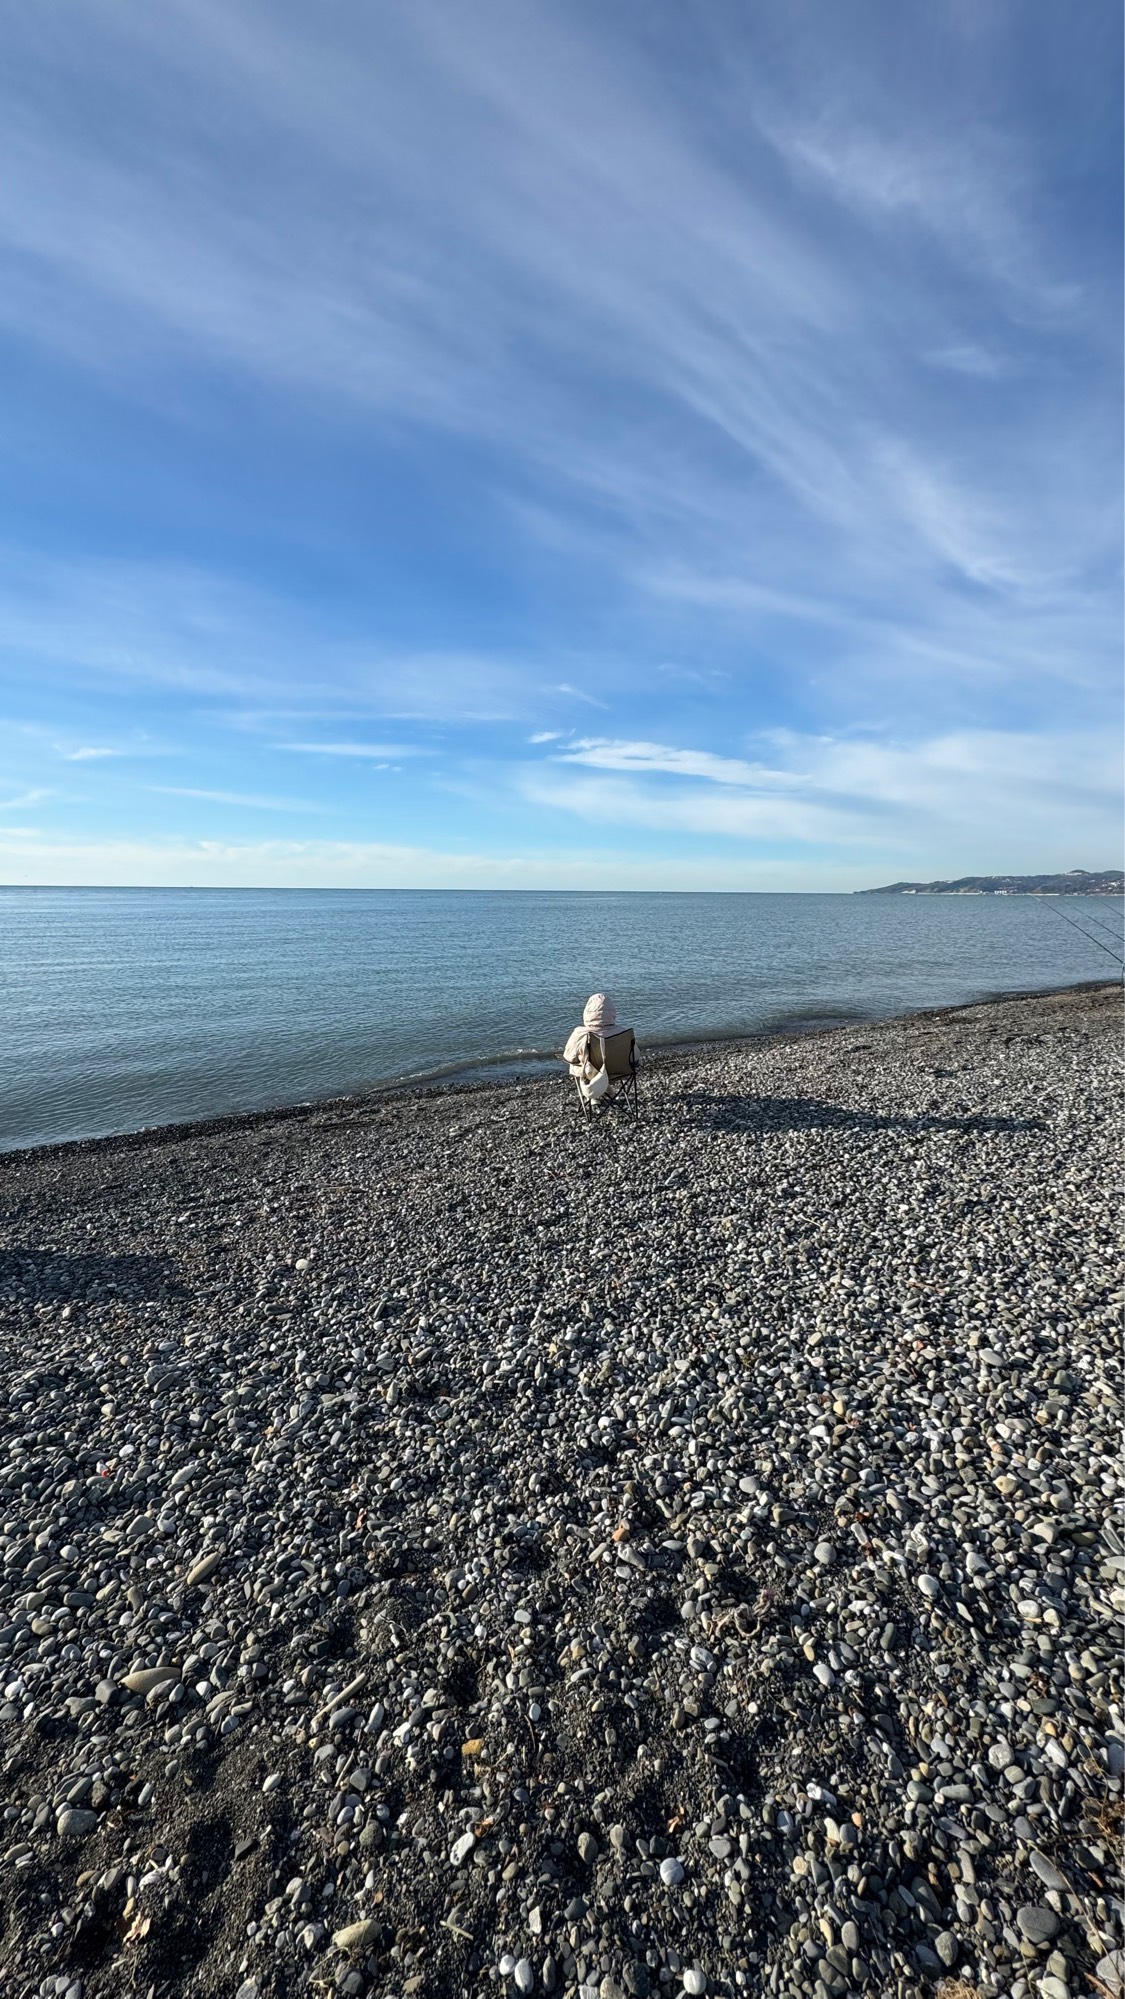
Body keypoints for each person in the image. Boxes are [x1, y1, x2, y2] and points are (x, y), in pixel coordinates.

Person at [563, 992, 619, 1105]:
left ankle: (592, 1094)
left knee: (580, 1062)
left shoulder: (580, 1033)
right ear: (612, 1012)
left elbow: (569, 1057)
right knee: (601, 1064)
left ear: (587, 1012)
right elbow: (634, 1056)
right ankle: (605, 1087)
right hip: (618, 1071)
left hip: (589, 1072)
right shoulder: (622, 1032)